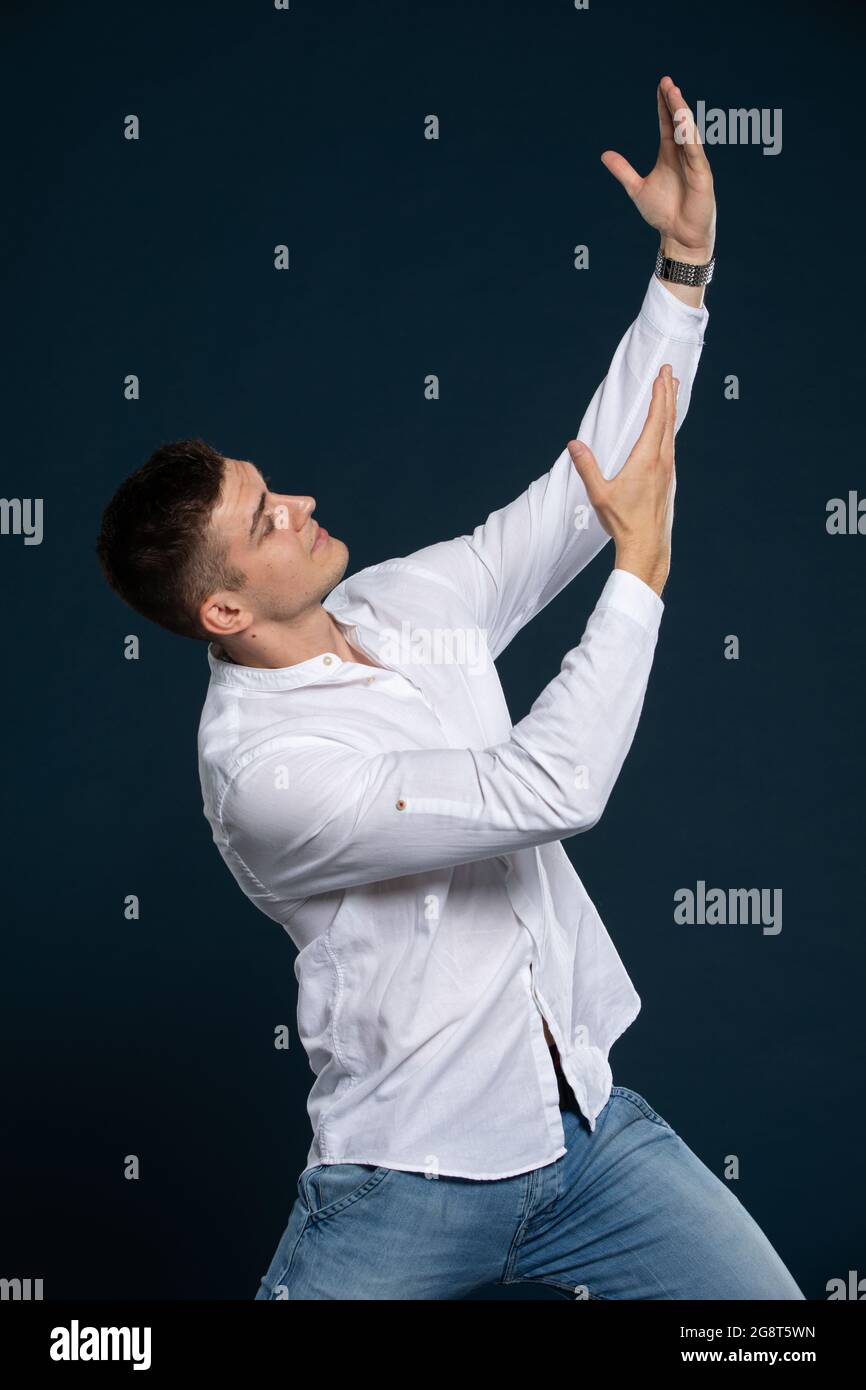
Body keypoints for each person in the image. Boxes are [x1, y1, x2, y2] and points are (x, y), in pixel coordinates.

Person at [95, 77, 804, 1299]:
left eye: (277, 485)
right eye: (268, 518)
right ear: (222, 608)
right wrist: (644, 570)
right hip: (407, 1183)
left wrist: (679, 272)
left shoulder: (399, 602)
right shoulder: (262, 777)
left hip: (583, 1138)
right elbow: (553, 784)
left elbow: (582, 490)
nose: (303, 503)